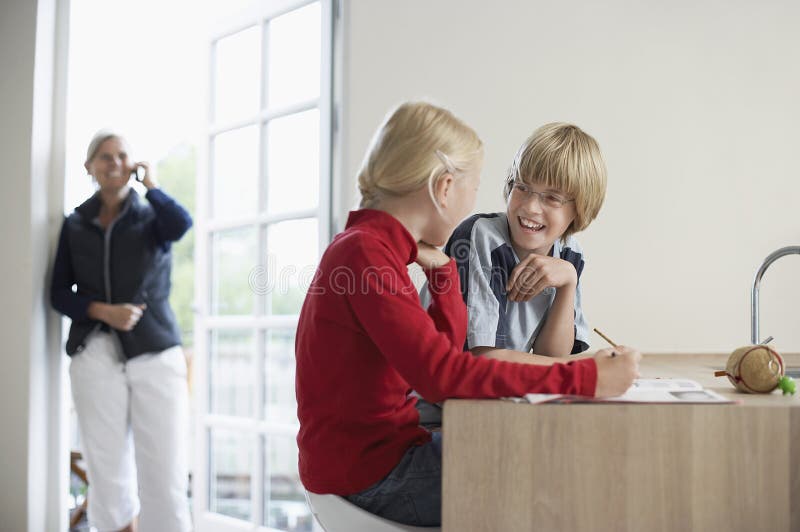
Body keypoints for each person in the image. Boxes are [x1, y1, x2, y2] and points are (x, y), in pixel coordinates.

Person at [295, 102, 640, 527]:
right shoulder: (366, 254)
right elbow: (443, 374)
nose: (476, 204)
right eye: (472, 188)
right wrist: (585, 378)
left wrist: (442, 276)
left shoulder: (368, 247)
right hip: (374, 474)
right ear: (444, 188)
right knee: (563, 479)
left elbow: (438, 352)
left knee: (550, 463)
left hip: (382, 459)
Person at [415, 123, 608, 426]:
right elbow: (484, 359)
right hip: (433, 414)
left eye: (552, 198)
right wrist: (588, 372)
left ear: (579, 209)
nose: (530, 207)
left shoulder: (570, 254)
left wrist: (568, 283)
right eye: (522, 187)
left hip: (491, 405)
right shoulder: (480, 236)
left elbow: (551, 357)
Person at [51, 130, 193, 532]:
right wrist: (102, 311)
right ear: (89, 167)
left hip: (155, 351)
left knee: (163, 466)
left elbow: (182, 224)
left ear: (132, 164)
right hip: (95, 353)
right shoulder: (74, 224)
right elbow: (58, 292)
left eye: (121, 156)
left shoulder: (153, 217)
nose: (113, 162)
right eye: (104, 156)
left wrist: (152, 185)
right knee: (106, 467)